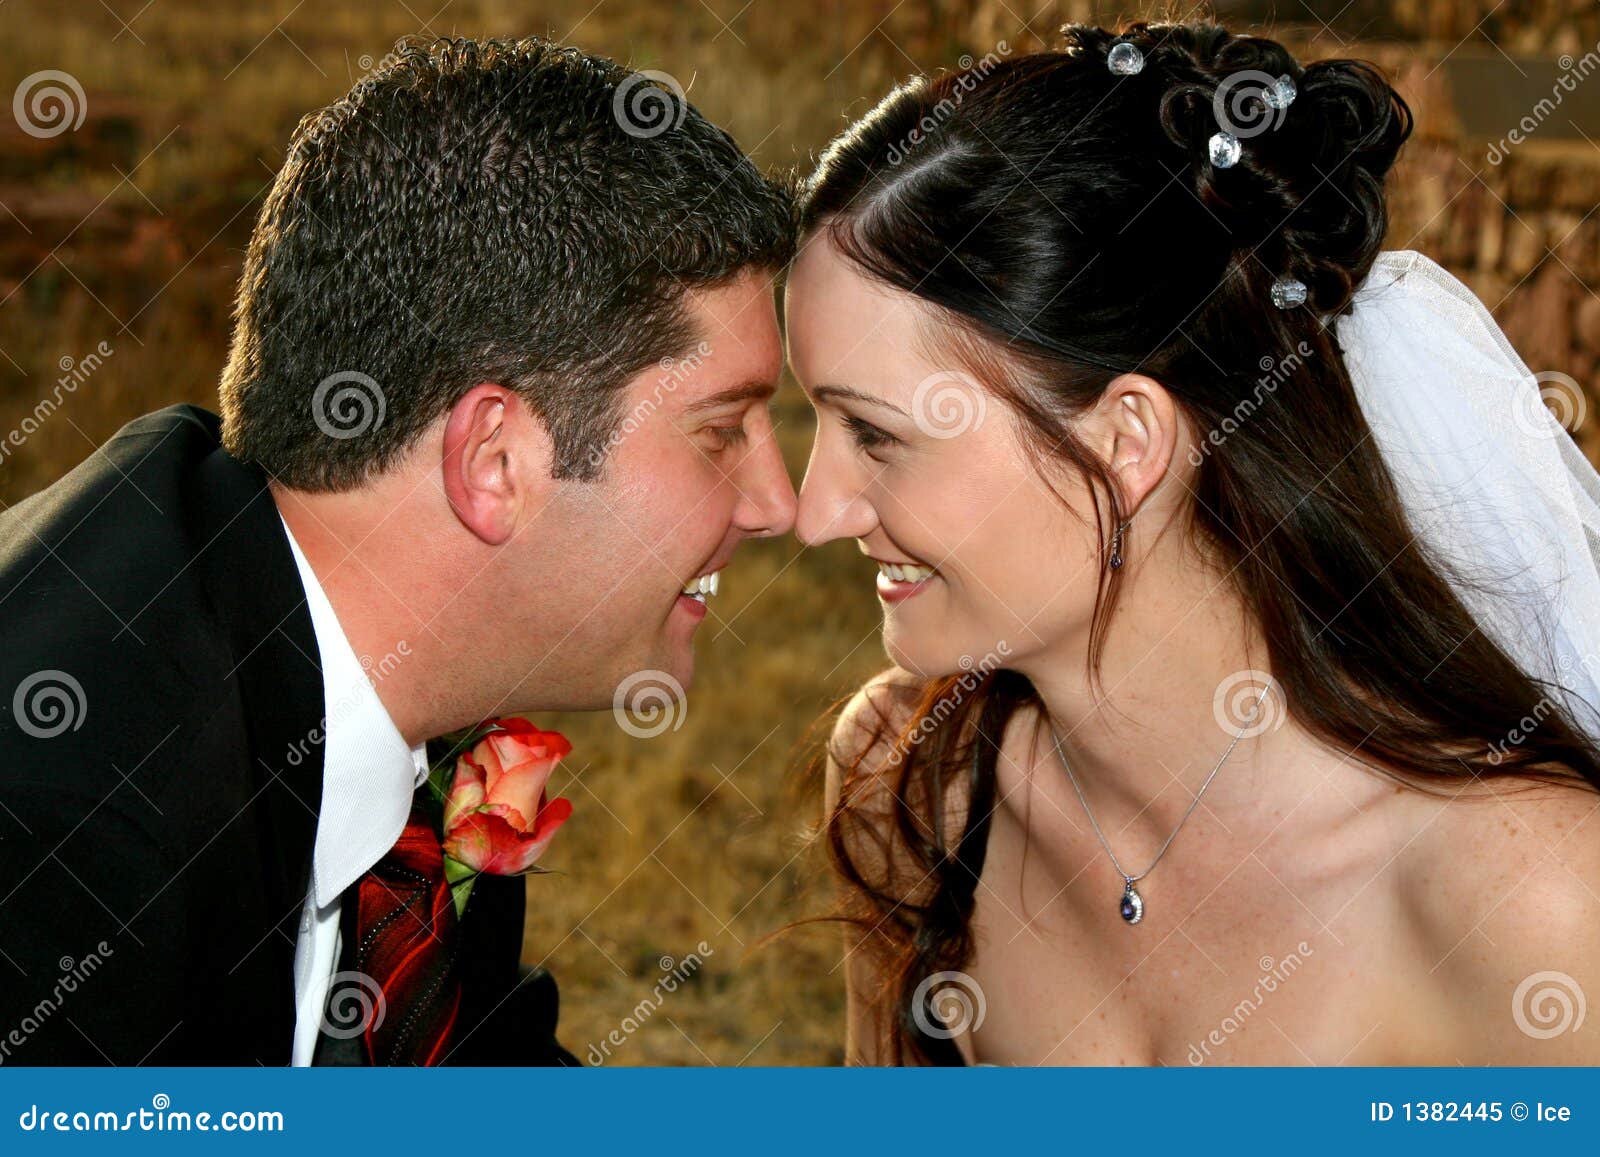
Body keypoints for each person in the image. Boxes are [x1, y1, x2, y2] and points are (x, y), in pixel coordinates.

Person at [786, 20, 1600, 1065]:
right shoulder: (907, 784)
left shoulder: (1529, 900)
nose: (813, 512)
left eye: (875, 434)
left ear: (1126, 439)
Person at [0, 37, 797, 1065]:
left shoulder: (384, 666)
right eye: (723, 430)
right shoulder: (63, 825)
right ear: (494, 460)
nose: (780, 504)